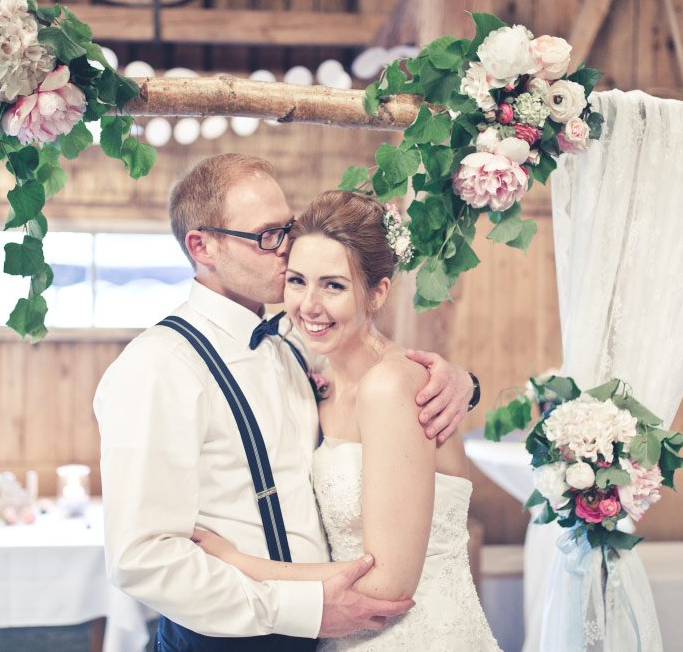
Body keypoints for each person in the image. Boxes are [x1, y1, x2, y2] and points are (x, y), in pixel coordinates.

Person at [95, 155, 478, 651]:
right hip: (232, 639)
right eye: (266, 235)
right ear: (202, 246)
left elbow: (385, 382)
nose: (287, 249)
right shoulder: (157, 366)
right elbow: (139, 557)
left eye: (287, 228)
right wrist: (300, 608)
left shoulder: (297, 344)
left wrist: (463, 382)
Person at [191, 190, 502, 651]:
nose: (309, 305)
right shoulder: (316, 379)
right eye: (297, 281)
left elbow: (387, 589)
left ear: (378, 292)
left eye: (333, 285)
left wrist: (237, 561)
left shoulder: (391, 387)